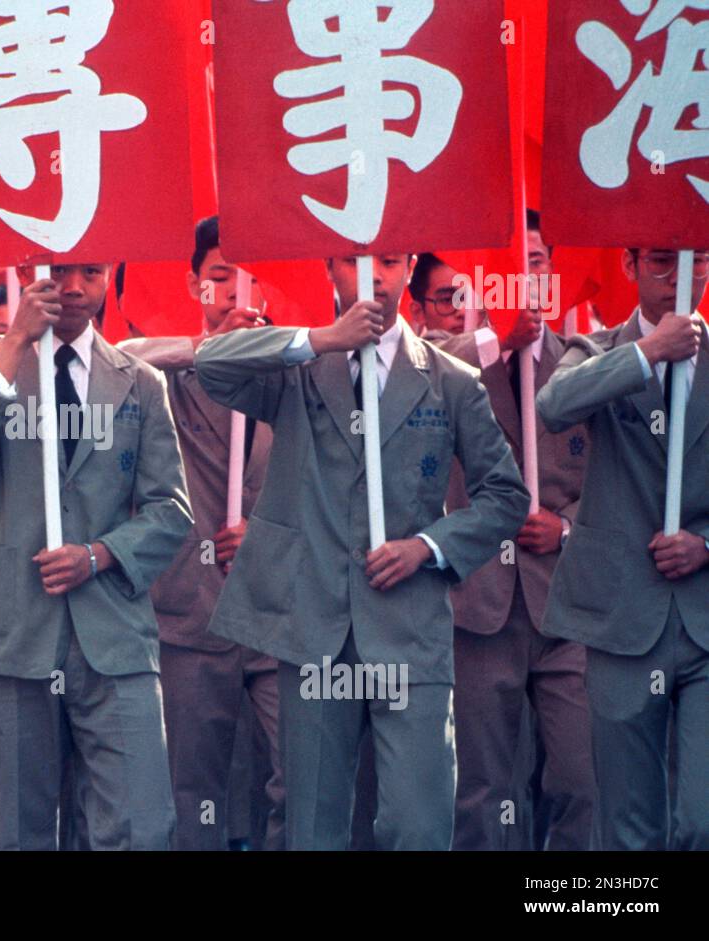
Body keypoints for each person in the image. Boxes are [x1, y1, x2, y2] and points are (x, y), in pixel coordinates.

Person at [196, 253, 530, 850]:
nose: (373, 276)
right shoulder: (299, 367)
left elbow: (505, 495)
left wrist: (427, 547)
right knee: (311, 826)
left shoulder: (450, 379)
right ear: (330, 270)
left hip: (408, 630)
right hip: (313, 630)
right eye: (353, 262)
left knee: (416, 823)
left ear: (407, 272)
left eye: (390, 262)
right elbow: (210, 364)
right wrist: (322, 337)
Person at [0, 263, 192, 850]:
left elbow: (170, 510)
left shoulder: (141, 383)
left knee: (142, 826)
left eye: (92, 273)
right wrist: (16, 339)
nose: (74, 288)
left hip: (114, 632)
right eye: (62, 272)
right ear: (29, 270)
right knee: (18, 832)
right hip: (8, 631)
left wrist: (99, 555)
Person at [117, 216, 284, 850]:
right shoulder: (166, 372)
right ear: (194, 285)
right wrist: (215, 349)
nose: (237, 292)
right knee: (193, 792)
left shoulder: (296, 369)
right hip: (189, 614)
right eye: (220, 277)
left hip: (278, 610)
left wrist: (267, 535)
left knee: (302, 779)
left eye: (248, 278)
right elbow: (119, 358)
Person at [536, 246, 709, 850]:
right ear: (630, 267)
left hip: (704, 620)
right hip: (621, 623)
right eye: (661, 262)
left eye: (698, 261)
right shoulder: (598, 352)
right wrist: (649, 352)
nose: (680, 277)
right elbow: (553, 407)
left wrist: (705, 545)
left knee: (700, 821)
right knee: (628, 829)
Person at [430, 259, 595, 850]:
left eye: (538, 263)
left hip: (568, 607)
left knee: (582, 779)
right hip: (480, 608)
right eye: (510, 264)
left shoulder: (582, 363)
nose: (526, 277)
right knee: (485, 787)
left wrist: (569, 529)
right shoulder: (451, 358)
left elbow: (614, 484)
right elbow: (420, 369)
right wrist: (497, 339)